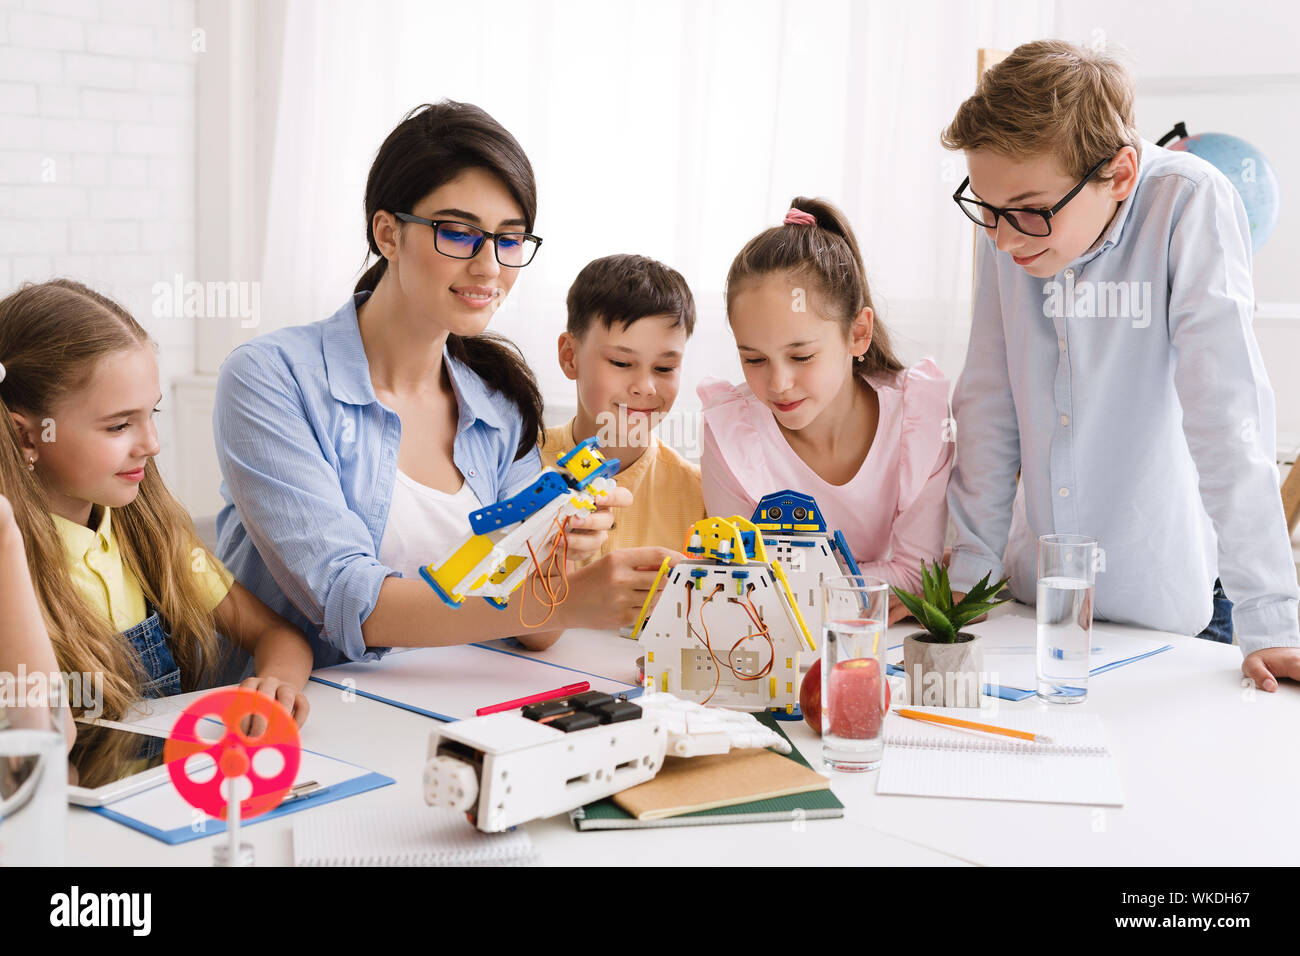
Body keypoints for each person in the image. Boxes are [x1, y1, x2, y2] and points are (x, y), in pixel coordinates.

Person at [214, 102, 676, 671]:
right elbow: (348, 601)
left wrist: (558, 550)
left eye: (509, 241)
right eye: (458, 233)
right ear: (387, 233)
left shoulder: (496, 403)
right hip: (298, 726)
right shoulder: (270, 378)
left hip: (449, 708)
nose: (489, 267)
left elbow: (538, 637)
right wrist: (556, 601)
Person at [940, 39, 1300, 690]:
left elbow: (1229, 420)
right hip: (1033, 609)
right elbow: (988, 408)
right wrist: (960, 598)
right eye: (987, 210)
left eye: (1027, 211)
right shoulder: (1010, 229)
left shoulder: (1188, 203)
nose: (1004, 237)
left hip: (1169, 612)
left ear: (1122, 174)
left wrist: (1272, 624)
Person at [0, 280, 312, 785]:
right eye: (118, 425)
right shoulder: (9, 566)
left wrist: (274, 685)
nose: (152, 443)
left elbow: (276, 634)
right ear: (24, 435)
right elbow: (35, 755)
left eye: (153, 413)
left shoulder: (150, 533)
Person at [700, 198, 953, 621]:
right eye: (754, 359)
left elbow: (915, 575)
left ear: (858, 333)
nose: (778, 384)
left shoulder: (918, 419)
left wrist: (798, 589)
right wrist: (865, 588)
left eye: (801, 357)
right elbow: (741, 585)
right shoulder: (731, 432)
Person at [543, 254, 706, 560]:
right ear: (570, 356)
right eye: (621, 362)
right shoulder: (515, 467)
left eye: (665, 367)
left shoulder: (702, 497)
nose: (645, 386)